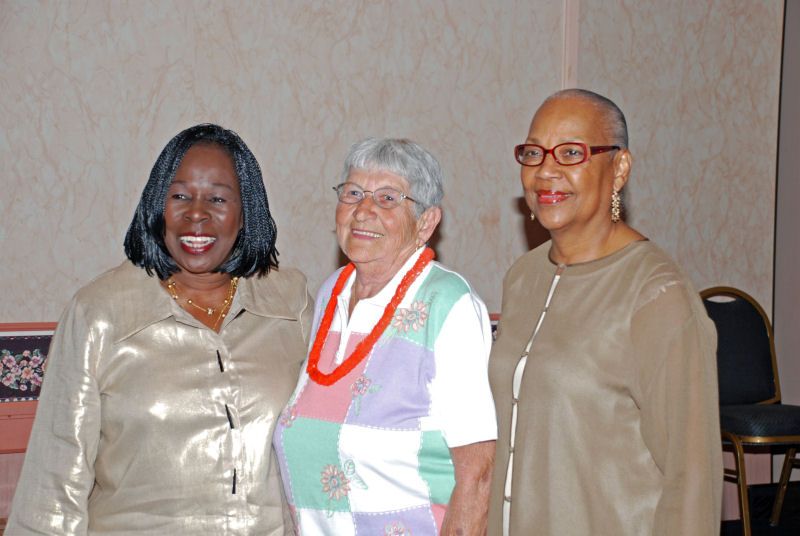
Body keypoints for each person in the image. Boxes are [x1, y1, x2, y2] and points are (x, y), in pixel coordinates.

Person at [7, 124, 312, 535]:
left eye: (218, 198)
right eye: (180, 196)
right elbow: (54, 485)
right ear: (157, 206)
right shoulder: (100, 314)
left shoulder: (291, 306)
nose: (196, 214)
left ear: (246, 213)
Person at [488, 89, 722, 535]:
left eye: (571, 153)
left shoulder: (657, 294)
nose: (546, 171)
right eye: (533, 153)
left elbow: (692, 478)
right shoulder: (522, 278)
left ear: (619, 168)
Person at [273, 138, 497, 535]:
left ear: (426, 223)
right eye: (353, 193)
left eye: (388, 198)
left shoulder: (449, 304)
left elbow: (477, 475)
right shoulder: (331, 293)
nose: (363, 210)